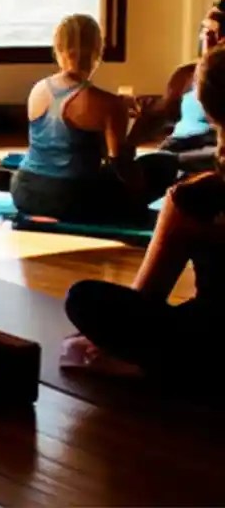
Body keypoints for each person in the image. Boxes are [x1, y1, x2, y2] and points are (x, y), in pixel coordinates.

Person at [62, 45, 225, 390]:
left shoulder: (196, 197)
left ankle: (150, 367)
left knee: (84, 298)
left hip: (210, 345)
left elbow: (146, 297)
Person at [10, 14, 178, 224]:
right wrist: (139, 131)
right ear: (98, 50)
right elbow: (124, 169)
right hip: (72, 200)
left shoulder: (38, 89)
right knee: (165, 164)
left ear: (58, 49)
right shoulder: (109, 105)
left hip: (24, 191)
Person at [126, 0, 224, 174]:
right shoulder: (185, 74)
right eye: (204, 30)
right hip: (177, 146)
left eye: (215, 32)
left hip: (209, 151)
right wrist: (126, 147)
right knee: (146, 164)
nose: (207, 37)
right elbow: (162, 112)